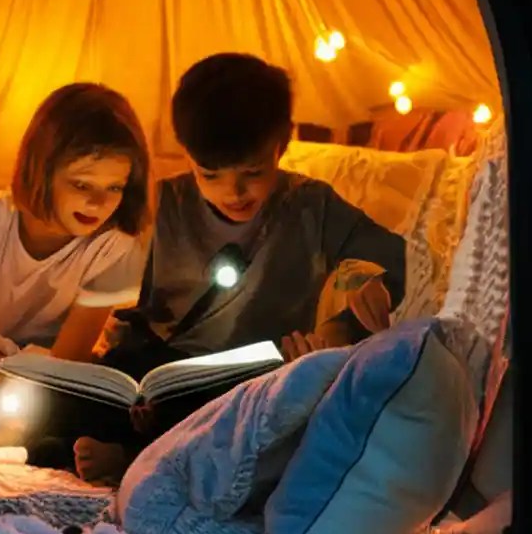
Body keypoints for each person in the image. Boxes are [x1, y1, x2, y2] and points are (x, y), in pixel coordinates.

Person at [73, 52, 407, 483]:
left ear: (281, 144)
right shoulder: (162, 205)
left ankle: (137, 459)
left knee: (266, 414)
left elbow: (383, 258)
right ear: (188, 156)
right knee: (98, 385)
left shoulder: (310, 207)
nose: (235, 191)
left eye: (253, 171)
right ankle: (122, 443)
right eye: (210, 175)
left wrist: (342, 325)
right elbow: (122, 299)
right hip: (166, 368)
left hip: (253, 373)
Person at [0, 82, 153, 438]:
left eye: (114, 187)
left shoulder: (117, 245)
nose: (98, 204)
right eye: (82, 185)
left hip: (52, 373)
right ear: (43, 170)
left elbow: (66, 361)